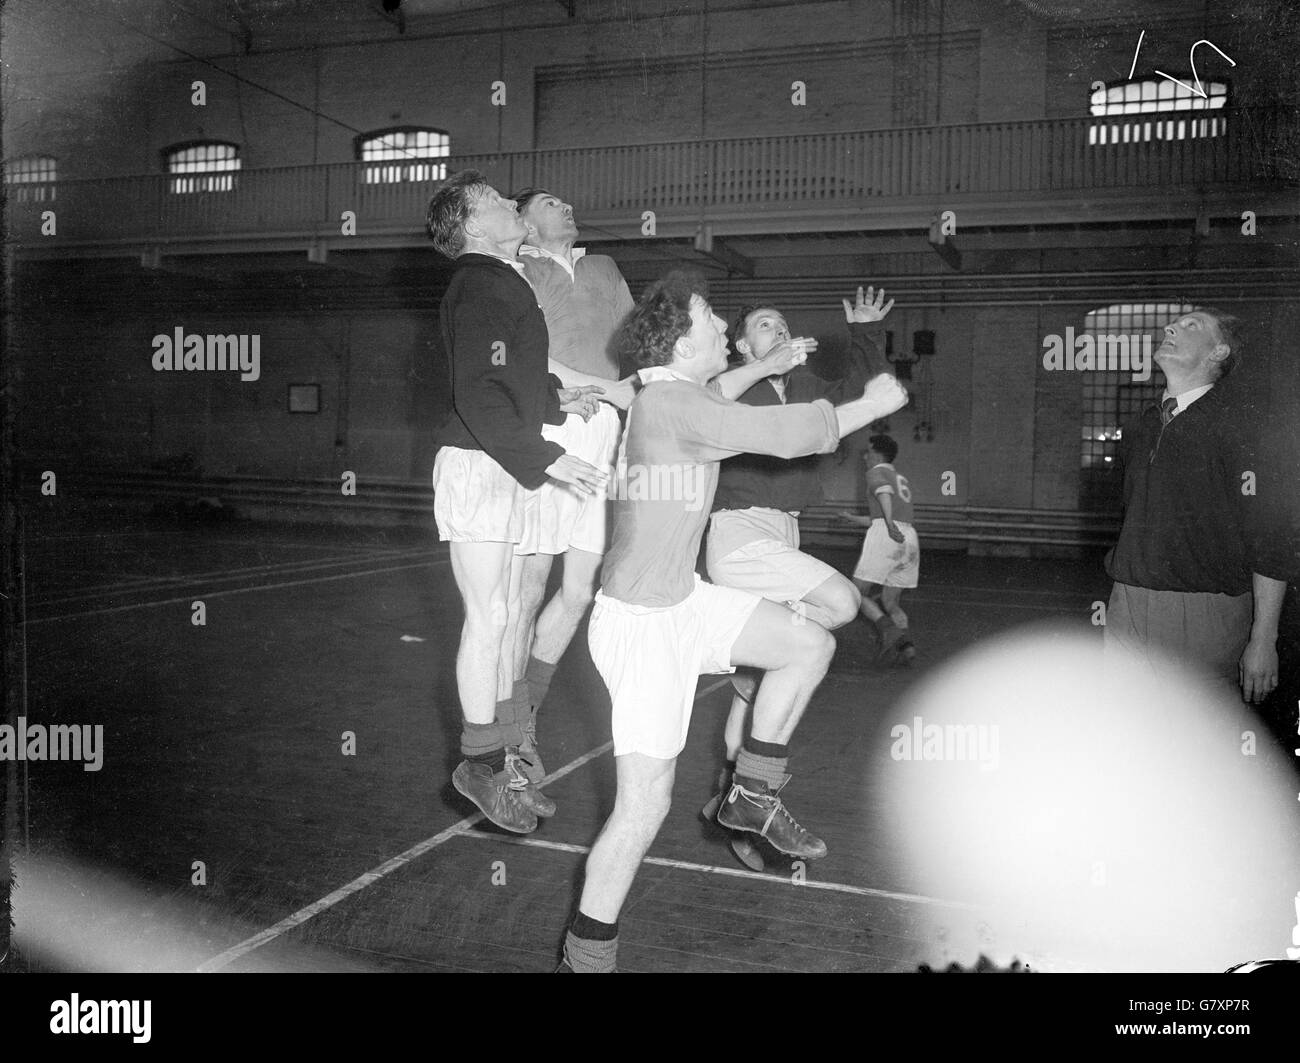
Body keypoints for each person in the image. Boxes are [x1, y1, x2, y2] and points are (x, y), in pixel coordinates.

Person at [559, 271, 907, 972]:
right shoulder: (669, 404)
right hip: (644, 627)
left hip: (682, 601)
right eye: (711, 317)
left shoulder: (675, 395)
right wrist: (868, 404)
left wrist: (768, 363)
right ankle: (585, 960)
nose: (721, 323)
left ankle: (750, 792)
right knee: (642, 810)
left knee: (808, 642)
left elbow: (721, 396)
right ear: (682, 341)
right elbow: (777, 433)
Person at [425, 170, 606, 835]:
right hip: (479, 464)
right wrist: (549, 457)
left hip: (500, 461)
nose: (512, 204)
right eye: (498, 201)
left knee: (502, 621)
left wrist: (559, 400)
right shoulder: (478, 283)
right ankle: (479, 761)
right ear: (473, 226)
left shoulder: (505, 280)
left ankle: (501, 762)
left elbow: (507, 376)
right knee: (490, 616)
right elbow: (476, 394)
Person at [703, 287, 894, 842]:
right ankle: (747, 784)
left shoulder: (808, 389)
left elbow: (864, 394)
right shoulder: (734, 389)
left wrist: (864, 333)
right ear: (741, 345)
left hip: (784, 530)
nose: (778, 328)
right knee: (841, 601)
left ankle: (737, 790)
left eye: (782, 321)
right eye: (765, 323)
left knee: (779, 664)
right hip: (739, 529)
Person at [494, 188, 635, 817]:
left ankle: (524, 715)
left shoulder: (604, 267)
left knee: (578, 592)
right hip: (554, 424)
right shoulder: (519, 269)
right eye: (551, 202)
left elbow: (637, 347)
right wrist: (605, 387)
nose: (568, 206)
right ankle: (509, 736)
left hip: (606, 431)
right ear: (525, 222)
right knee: (527, 589)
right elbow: (524, 356)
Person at [1103, 307, 1290, 705]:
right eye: (1175, 323)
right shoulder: (1143, 425)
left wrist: (1263, 638)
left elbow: (1269, 539)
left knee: (1192, 743)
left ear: (1218, 353)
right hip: (1127, 604)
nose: (1171, 327)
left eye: (1193, 326)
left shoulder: (1242, 426)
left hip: (1204, 613)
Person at [841, 434, 920, 664]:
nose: (865, 456)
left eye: (867, 452)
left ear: (876, 453)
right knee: (891, 601)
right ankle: (906, 647)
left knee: (856, 594)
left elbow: (883, 498)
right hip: (909, 539)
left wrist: (887, 524)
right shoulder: (899, 477)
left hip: (888, 535)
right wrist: (852, 518)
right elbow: (881, 516)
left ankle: (889, 630)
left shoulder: (876, 473)